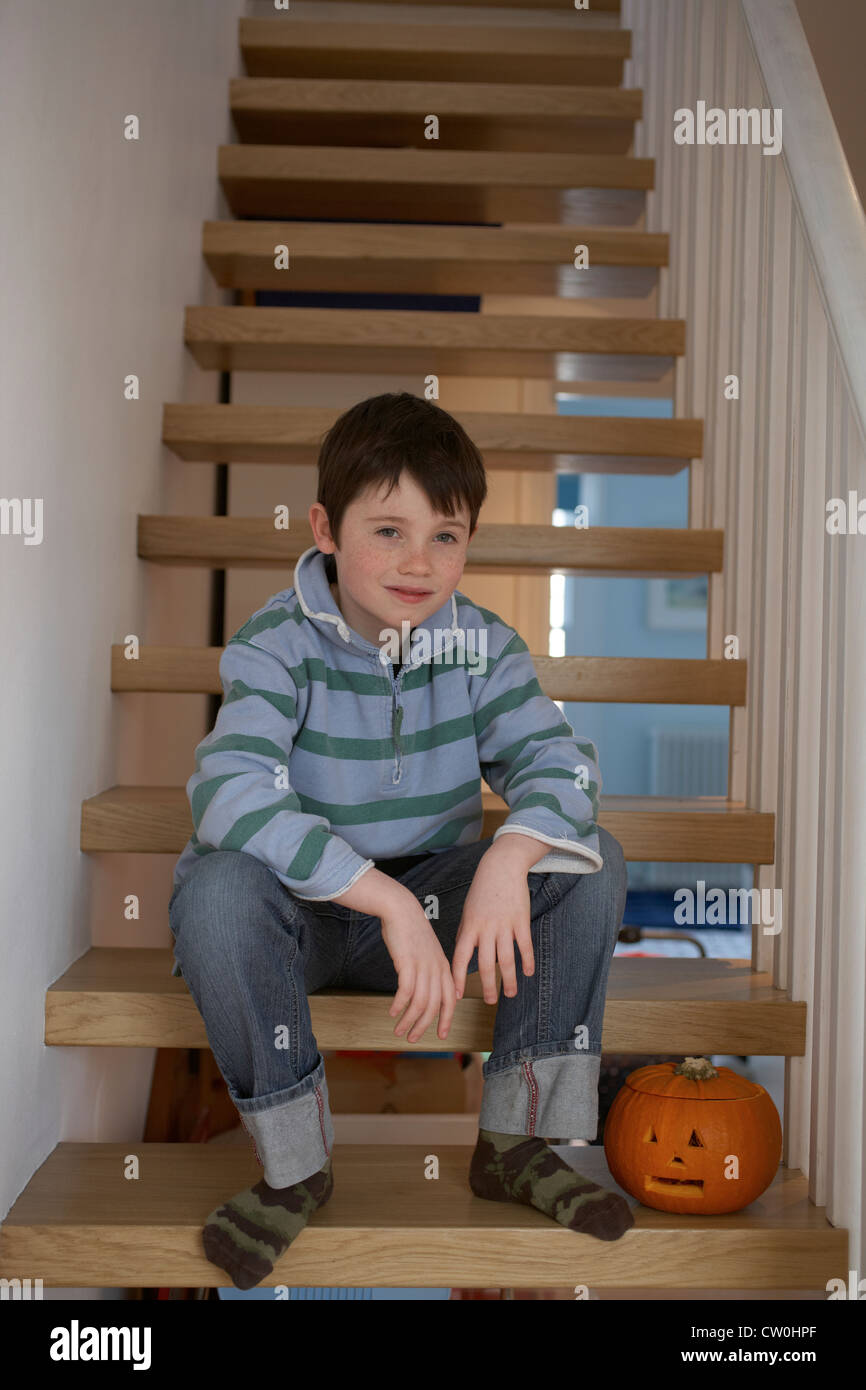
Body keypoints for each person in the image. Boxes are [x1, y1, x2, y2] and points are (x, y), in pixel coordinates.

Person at [168, 392, 633, 1290]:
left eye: (446, 537)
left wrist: (507, 856)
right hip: (301, 917)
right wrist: (375, 894)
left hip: (433, 909)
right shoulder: (275, 643)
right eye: (388, 532)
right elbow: (226, 794)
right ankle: (294, 1168)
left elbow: (563, 769)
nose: (419, 563)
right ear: (326, 529)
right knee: (217, 889)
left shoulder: (484, 648)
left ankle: (516, 1143)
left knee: (590, 862)